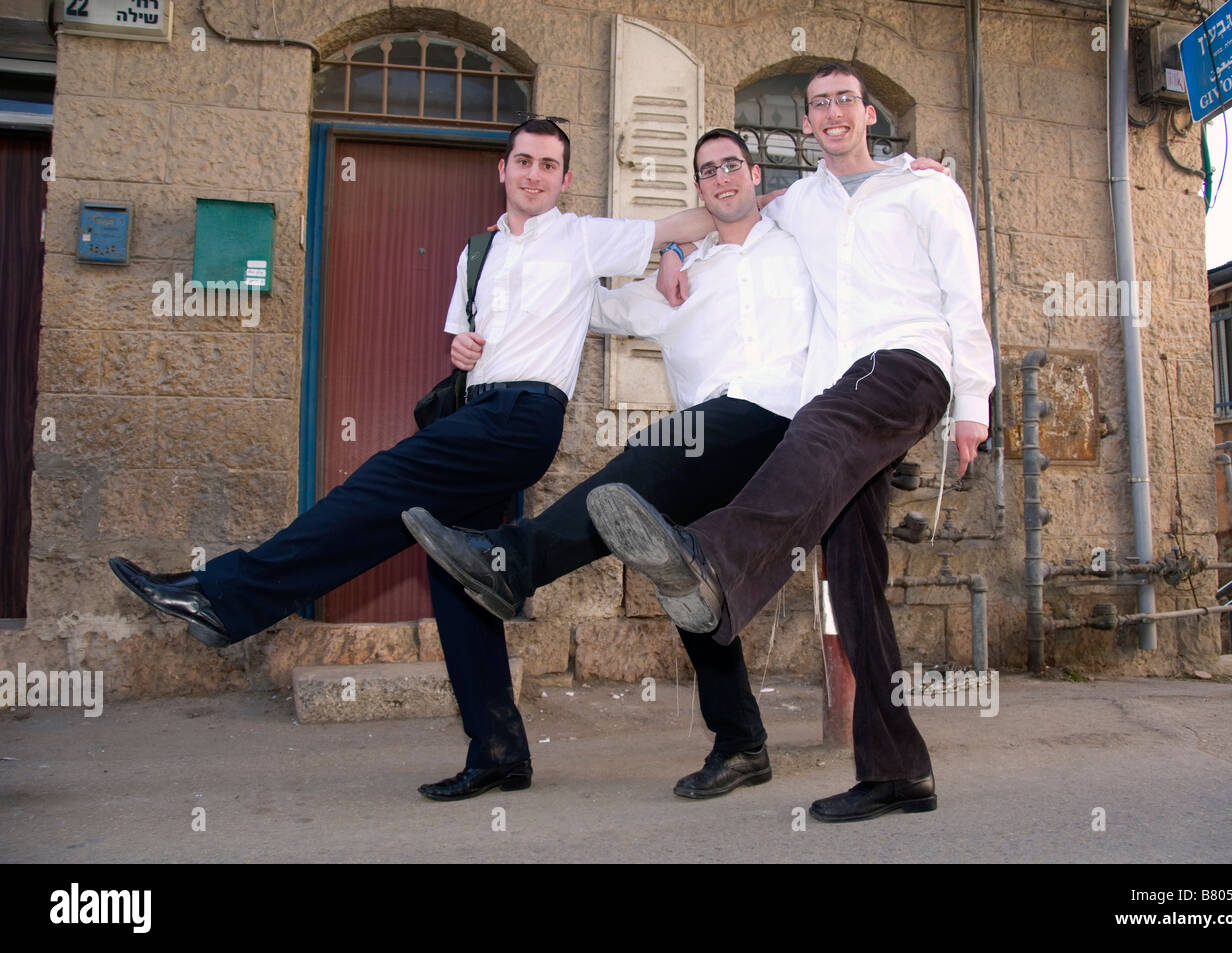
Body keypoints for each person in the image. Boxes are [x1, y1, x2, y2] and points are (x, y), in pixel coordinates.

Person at [107, 118, 711, 802]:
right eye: (524, 161)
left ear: (565, 179)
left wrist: (677, 252)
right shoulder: (475, 252)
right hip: (477, 409)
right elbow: (465, 338)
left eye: (548, 165)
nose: (535, 174)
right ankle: (500, 751)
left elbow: (691, 217)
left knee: (378, 487)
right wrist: (463, 354)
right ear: (503, 169)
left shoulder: (581, 236)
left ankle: (223, 596)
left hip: (523, 419)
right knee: (459, 579)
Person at [586, 62, 997, 823]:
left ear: (868, 113)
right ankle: (898, 769)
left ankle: (713, 558)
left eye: (846, 99)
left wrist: (973, 401)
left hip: (908, 365)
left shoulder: (925, 188)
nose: (833, 111)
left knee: (813, 427)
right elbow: (734, 206)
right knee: (854, 580)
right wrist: (673, 251)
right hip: (843, 385)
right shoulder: (800, 202)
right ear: (806, 126)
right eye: (818, 105)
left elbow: (964, 293)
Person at [403, 128, 814, 799]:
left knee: (649, 452)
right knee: (685, 581)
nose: (721, 178)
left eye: (731, 165)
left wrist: (903, 164)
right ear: (699, 189)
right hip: (708, 447)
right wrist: (517, 254)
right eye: (707, 171)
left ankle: (513, 562)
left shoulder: (796, 243)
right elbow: (587, 304)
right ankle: (742, 742)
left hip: (782, 423)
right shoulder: (678, 280)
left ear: (753, 170)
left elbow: (838, 198)